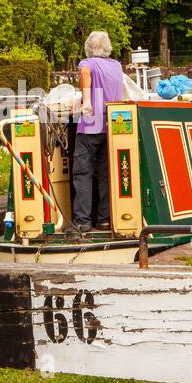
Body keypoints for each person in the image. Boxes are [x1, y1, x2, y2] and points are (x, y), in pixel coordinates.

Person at [70, 31, 126, 235]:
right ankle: (104, 219)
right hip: (113, 123)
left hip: (91, 124)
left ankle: (82, 221)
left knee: (83, 172)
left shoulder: (88, 63)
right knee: (105, 173)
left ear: (88, 47)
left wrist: (86, 101)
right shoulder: (117, 65)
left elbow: (85, 74)